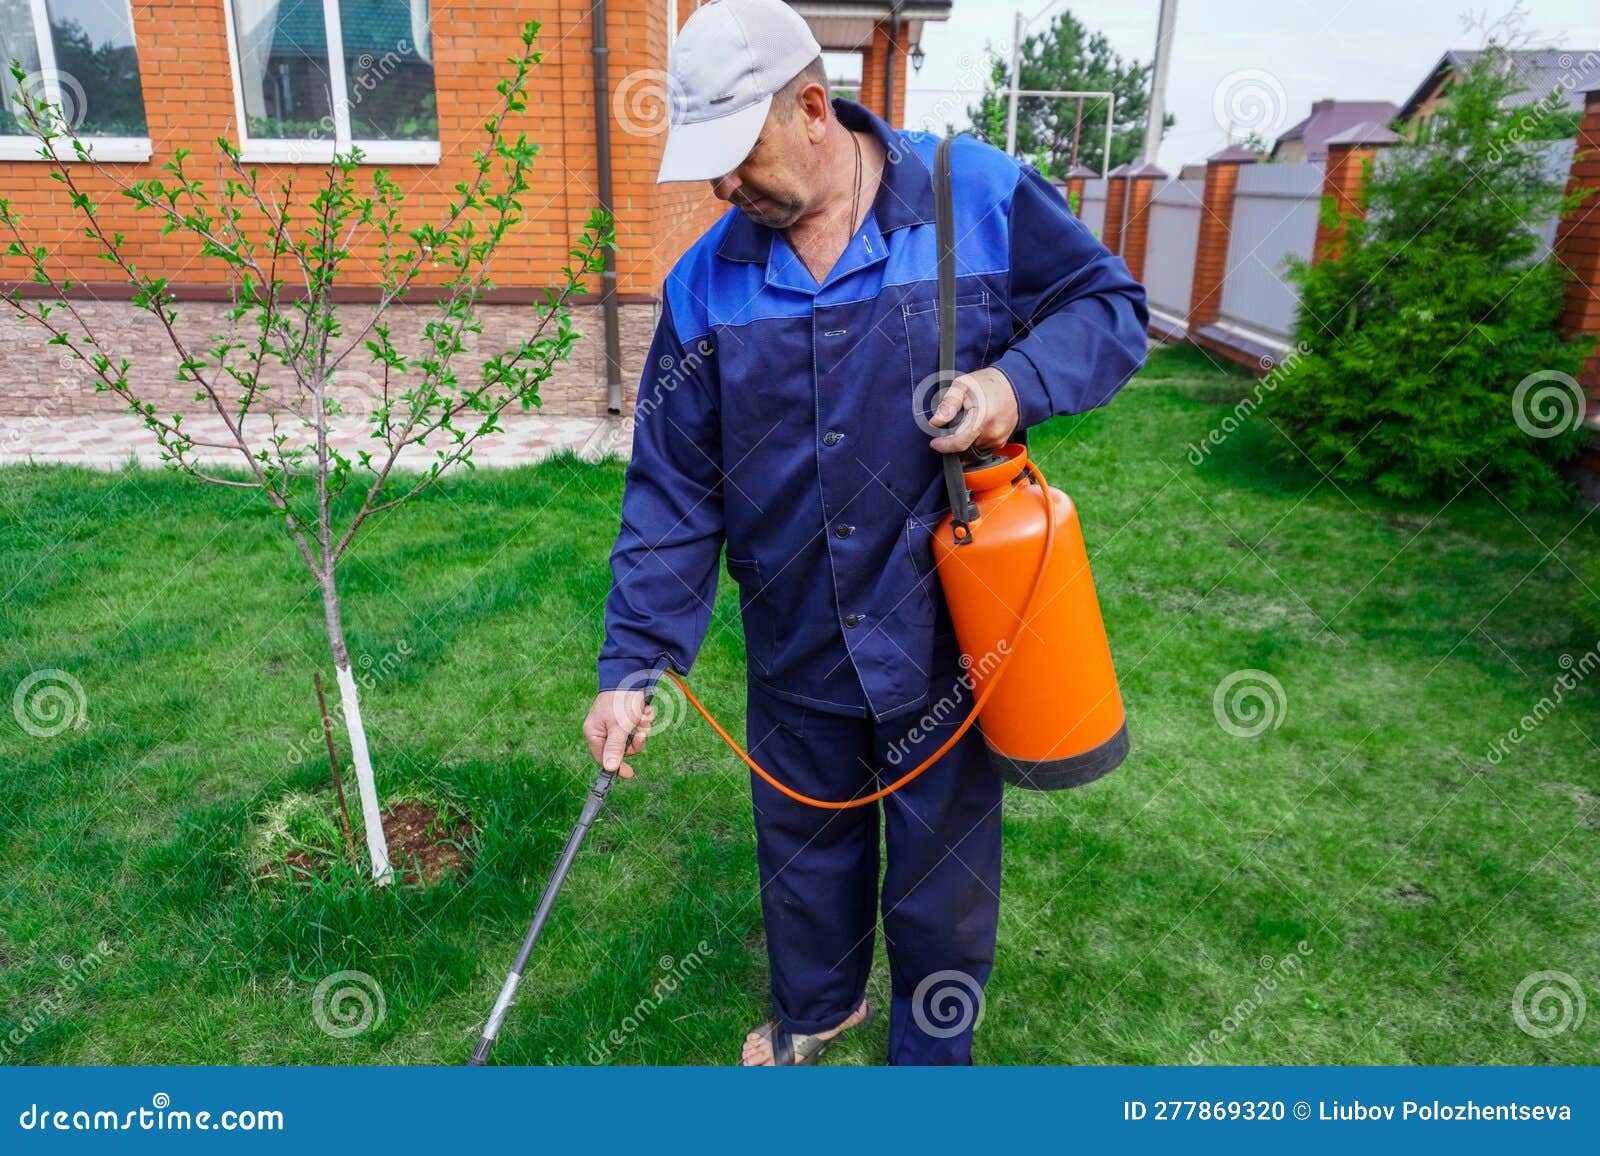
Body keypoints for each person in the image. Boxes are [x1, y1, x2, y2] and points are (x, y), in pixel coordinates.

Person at [582, 0, 1147, 1065]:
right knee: (804, 862)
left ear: (810, 106)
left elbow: (1109, 309)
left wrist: (1010, 381)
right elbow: (672, 489)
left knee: (942, 883)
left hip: (943, 639)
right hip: (793, 639)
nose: (720, 190)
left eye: (737, 157)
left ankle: (927, 1064)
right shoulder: (705, 283)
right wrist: (632, 665)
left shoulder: (970, 193)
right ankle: (817, 1007)